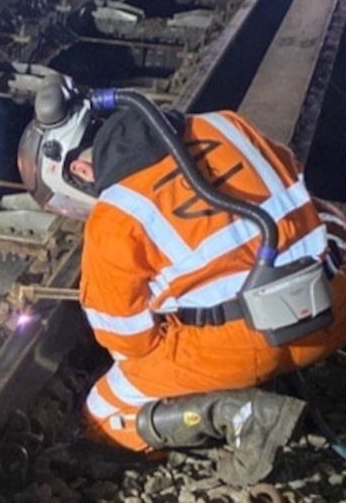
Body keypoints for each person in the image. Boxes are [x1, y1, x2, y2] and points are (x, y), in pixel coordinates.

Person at [17, 75, 346, 485]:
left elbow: (130, 344)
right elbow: (295, 183)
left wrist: (169, 308)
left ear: (81, 169)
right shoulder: (225, 123)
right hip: (330, 303)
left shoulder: (114, 216)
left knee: (104, 410)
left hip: (254, 345)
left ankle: (237, 414)